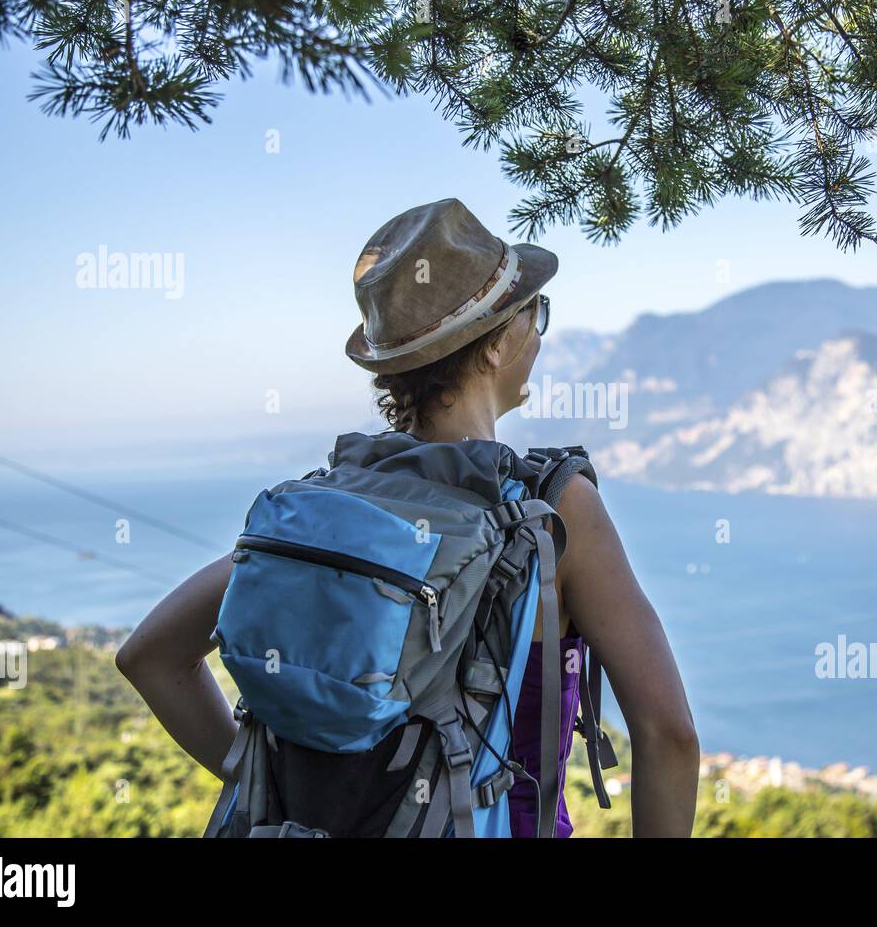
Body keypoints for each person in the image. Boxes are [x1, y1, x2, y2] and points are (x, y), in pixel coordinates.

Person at [117, 197, 700, 837]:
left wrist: (252, 776)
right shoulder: (550, 512)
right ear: (495, 345)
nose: (538, 335)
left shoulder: (329, 506)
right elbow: (667, 735)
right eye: (534, 314)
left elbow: (152, 656)